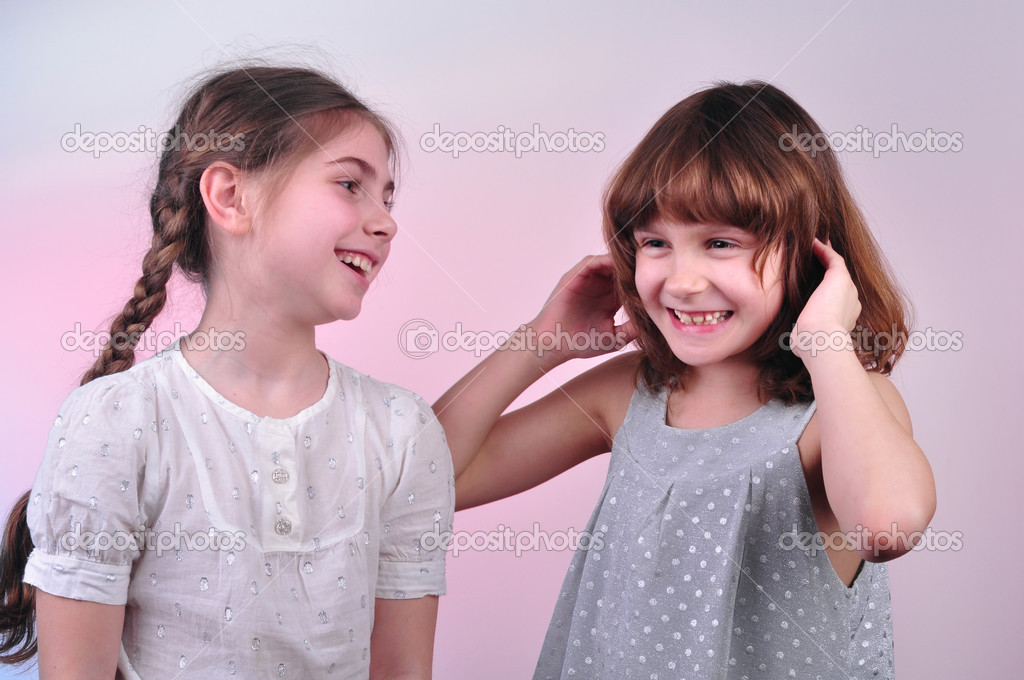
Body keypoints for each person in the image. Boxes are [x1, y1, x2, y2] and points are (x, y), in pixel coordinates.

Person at [437, 81, 936, 679]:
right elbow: (429, 479)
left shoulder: (842, 405)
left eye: (720, 243)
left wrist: (827, 342)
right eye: (655, 243)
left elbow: (887, 526)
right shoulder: (630, 393)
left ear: (811, 257)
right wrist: (540, 343)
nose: (681, 281)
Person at [0, 65, 454, 680]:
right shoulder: (115, 422)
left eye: (388, 197)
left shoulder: (402, 430)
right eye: (350, 184)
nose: (386, 222)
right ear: (231, 198)